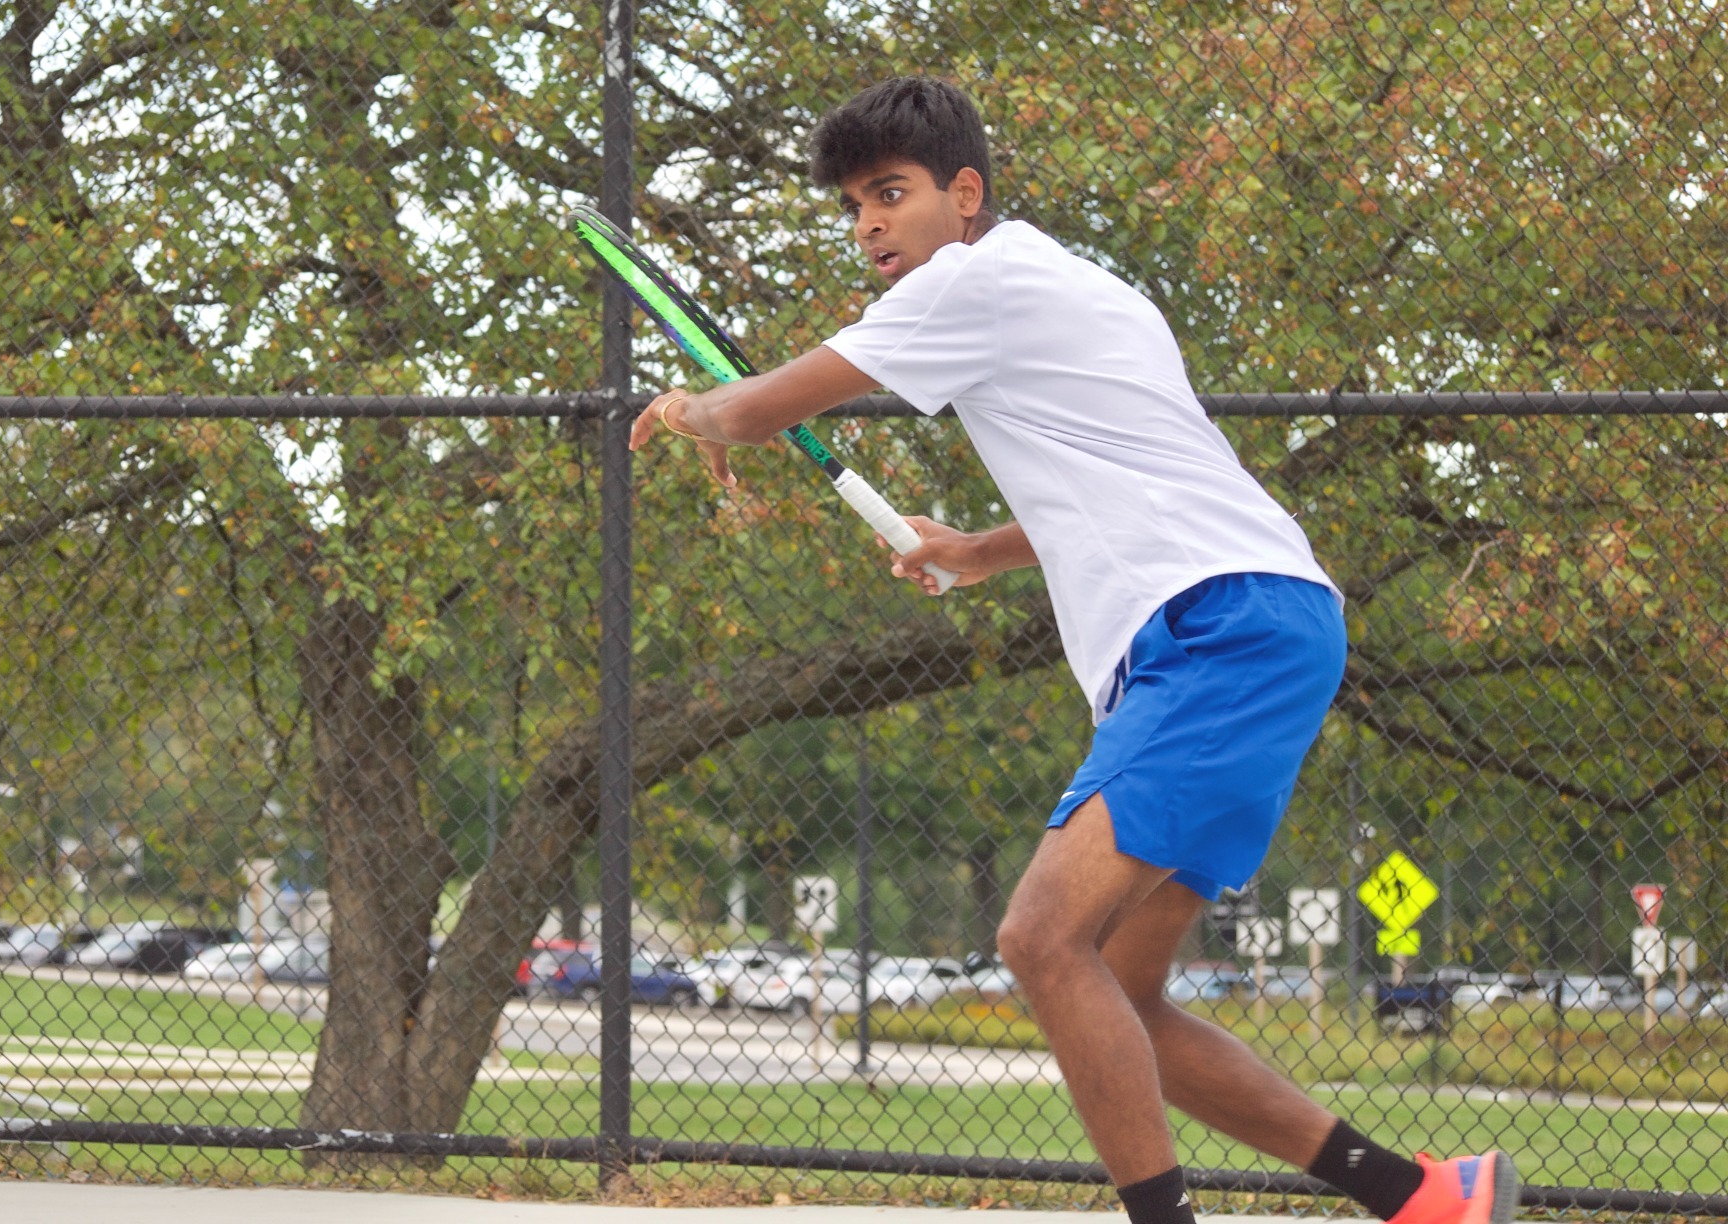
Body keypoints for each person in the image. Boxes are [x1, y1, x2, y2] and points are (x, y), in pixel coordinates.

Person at [627, 76, 1515, 1224]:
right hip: (1246, 623)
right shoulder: (1078, 285)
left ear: (964, 193)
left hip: (1219, 630)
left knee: (1038, 938)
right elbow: (1130, 486)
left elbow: (756, 409)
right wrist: (978, 552)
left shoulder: (968, 280)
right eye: (852, 206)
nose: (868, 226)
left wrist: (696, 412)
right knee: (1120, 985)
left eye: (888, 194)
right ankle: (1417, 1195)